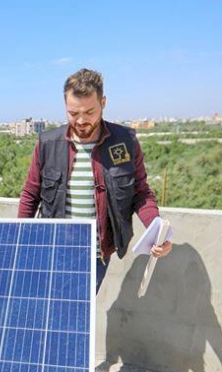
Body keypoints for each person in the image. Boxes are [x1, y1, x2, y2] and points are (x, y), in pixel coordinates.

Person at [18, 68, 171, 292]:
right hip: (53, 250)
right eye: (73, 113)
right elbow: (30, 195)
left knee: (82, 310)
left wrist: (157, 231)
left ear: (103, 103)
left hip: (97, 255)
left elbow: (140, 193)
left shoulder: (125, 142)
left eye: (89, 112)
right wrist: (20, 241)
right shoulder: (48, 144)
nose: (81, 120)